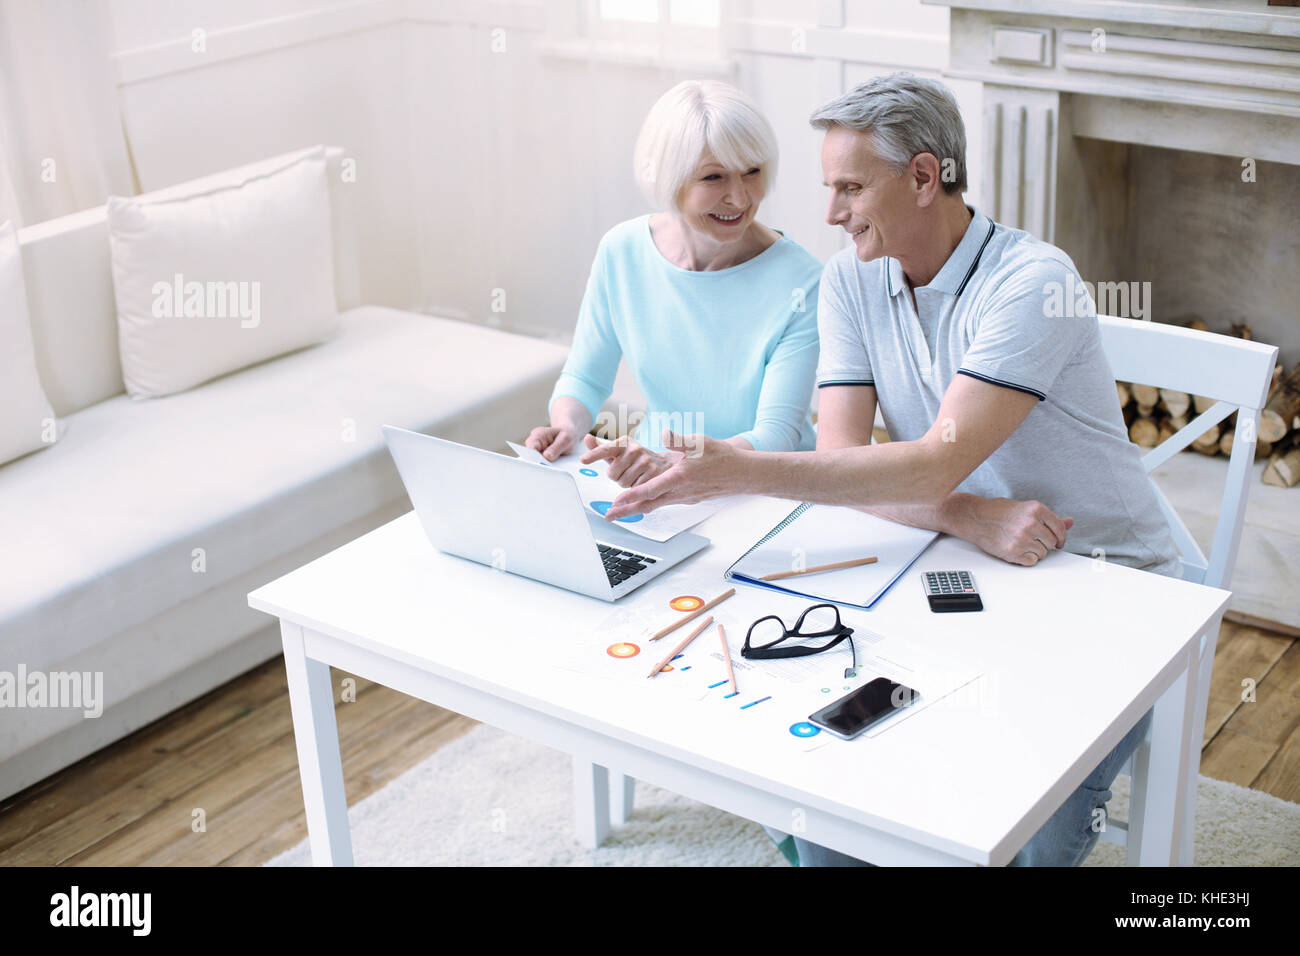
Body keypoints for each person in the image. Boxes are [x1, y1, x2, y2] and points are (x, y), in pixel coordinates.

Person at [603, 72, 1180, 867]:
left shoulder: (1033, 283)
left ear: (922, 175)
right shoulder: (848, 278)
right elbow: (849, 461)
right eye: (828, 187)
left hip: (1109, 583)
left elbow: (930, 460)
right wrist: (965, 514)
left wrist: (742, 467)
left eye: (849, 188)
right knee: (827, 779)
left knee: (1025, 832)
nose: (832, 212)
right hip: (954, 563)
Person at [526, 80, 822, 486]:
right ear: (670, 177)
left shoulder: (801, 280)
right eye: (714, 177)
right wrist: (566, 428)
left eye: (751, 172)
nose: (739, 197)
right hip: (651, 475)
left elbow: (778, 434)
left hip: (763, 485)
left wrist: (673, 465)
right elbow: (585, 378)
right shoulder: (622, 251)